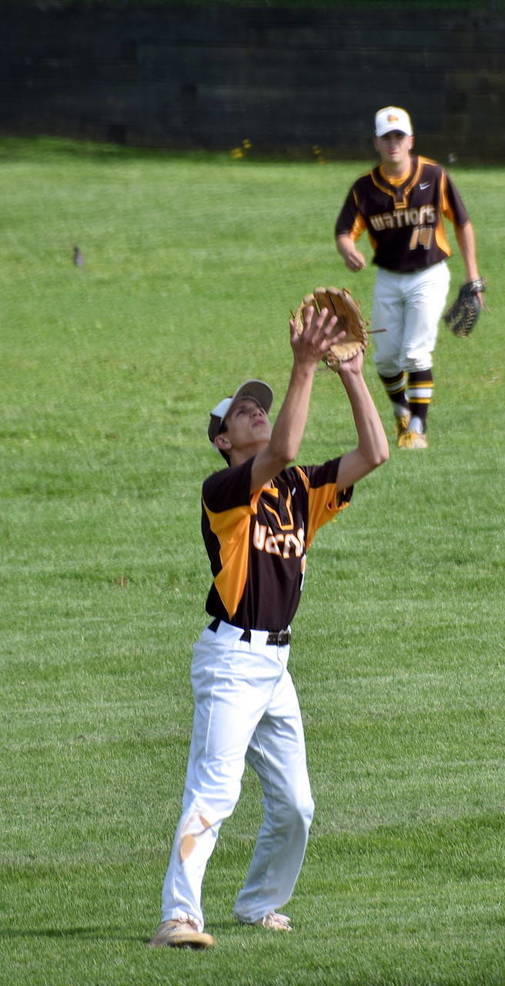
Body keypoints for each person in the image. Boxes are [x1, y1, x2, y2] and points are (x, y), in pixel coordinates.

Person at [149, 304, 389, 949]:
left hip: (276, 668)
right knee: (214, 793)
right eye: (241, 413)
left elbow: (376, 451)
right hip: (229, 663)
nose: (256, 410)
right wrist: (303, 365)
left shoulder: (301, 489)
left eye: (260, 404)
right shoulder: (224, 489)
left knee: (296, 807)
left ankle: (257, 904)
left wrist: (352, 374)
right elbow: (282, 445)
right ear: (224, 441)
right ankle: (179, 918)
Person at [335, 105, 487, 449]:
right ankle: (401, 412)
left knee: (415, 354)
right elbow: (344, 231)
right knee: (385, 358)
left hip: (429, 275)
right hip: (388, 278)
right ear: (375, 142)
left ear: (411, 140)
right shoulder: (365, 188)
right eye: (386, 137)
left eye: (399, 136)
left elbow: (463, 223)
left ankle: (417, 428)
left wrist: (473, 277)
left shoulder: (434, 176)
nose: (393, 143)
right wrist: (347, 250)